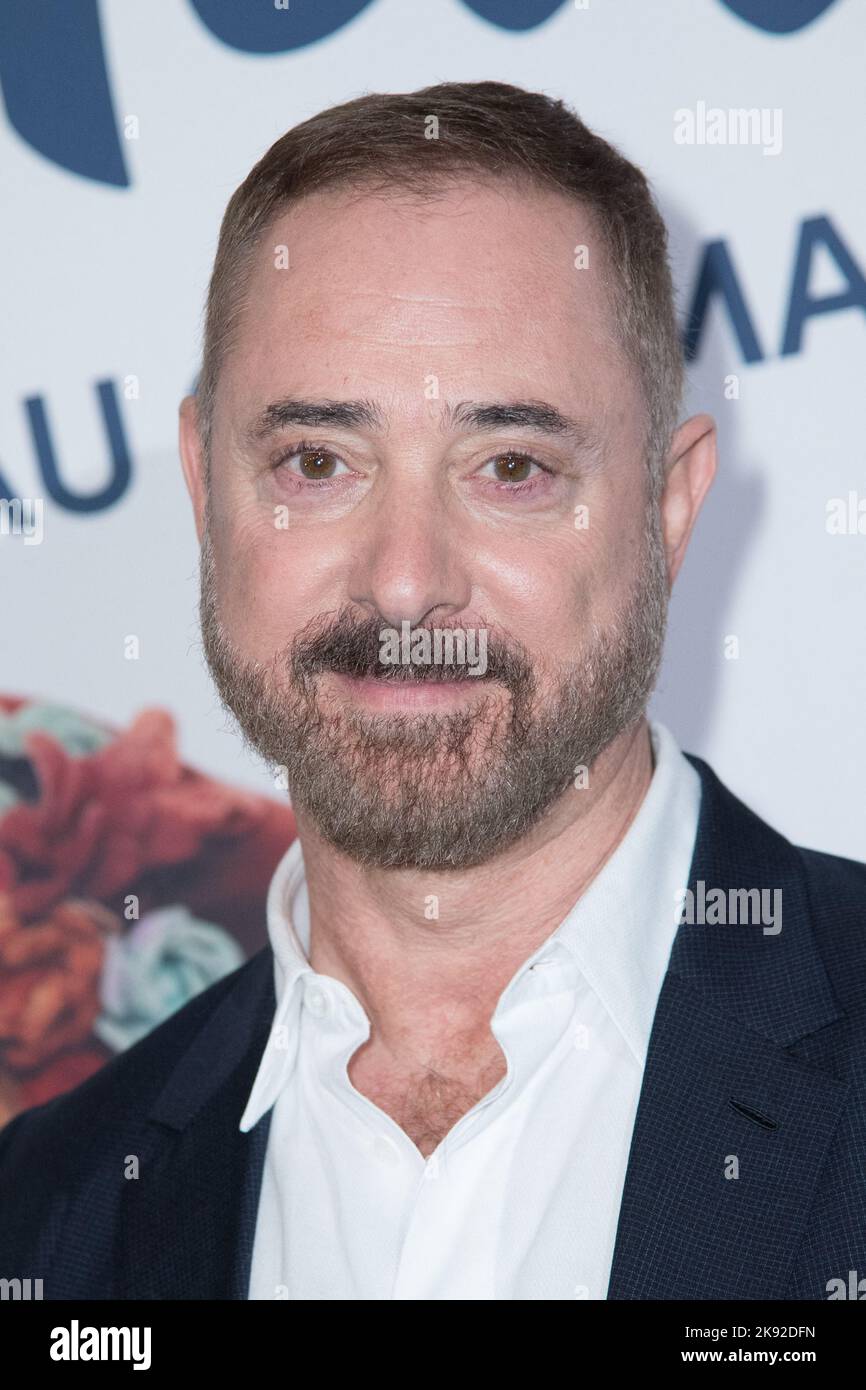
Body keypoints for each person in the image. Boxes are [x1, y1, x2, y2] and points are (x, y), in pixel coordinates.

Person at [1, 81, 864, 1301]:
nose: (405, 584)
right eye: (316, 461)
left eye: (509, 466)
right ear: (205, 491)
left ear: (667, 508)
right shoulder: (44, 1220)